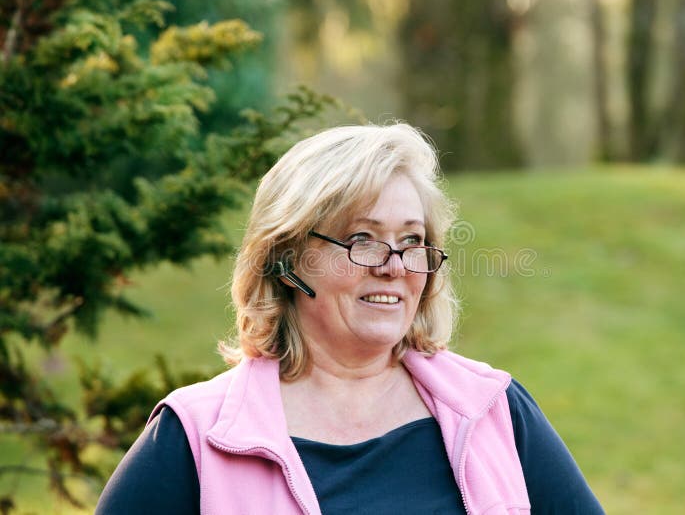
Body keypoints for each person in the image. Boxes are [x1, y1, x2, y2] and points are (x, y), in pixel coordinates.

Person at [97, 123, 604, 514]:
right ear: (288, 258)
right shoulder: (197, 437)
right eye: (362, 239)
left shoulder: (493, 411)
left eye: (412, 241)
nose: (394, 265)